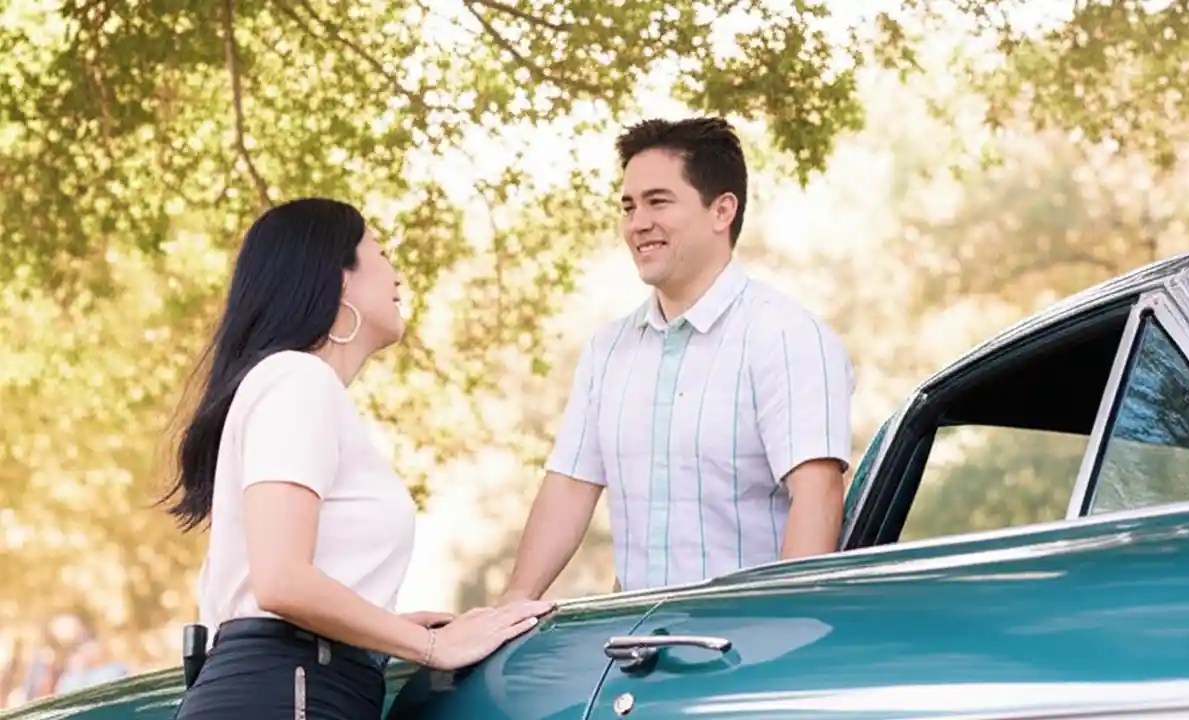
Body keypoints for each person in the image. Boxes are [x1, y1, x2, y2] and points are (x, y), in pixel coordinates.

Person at [162, 198, 551, 719]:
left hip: (297, 686)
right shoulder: (297, 380)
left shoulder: (294, 386)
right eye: (383, 252)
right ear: (338, 278)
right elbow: (280, 580)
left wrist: (379, 629)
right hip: (290, 693)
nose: (398, 274)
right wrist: (434, 649)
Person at [502, 117, 854, 601]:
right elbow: (568, 489)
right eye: (628, 206)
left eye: (658, 202)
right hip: (635, 648)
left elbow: (818, 495)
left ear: (722, 210)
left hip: (745, 644)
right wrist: (506, 610)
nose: (637, 223)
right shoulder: (606, 351)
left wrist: (785, 633)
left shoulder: (787, 337)